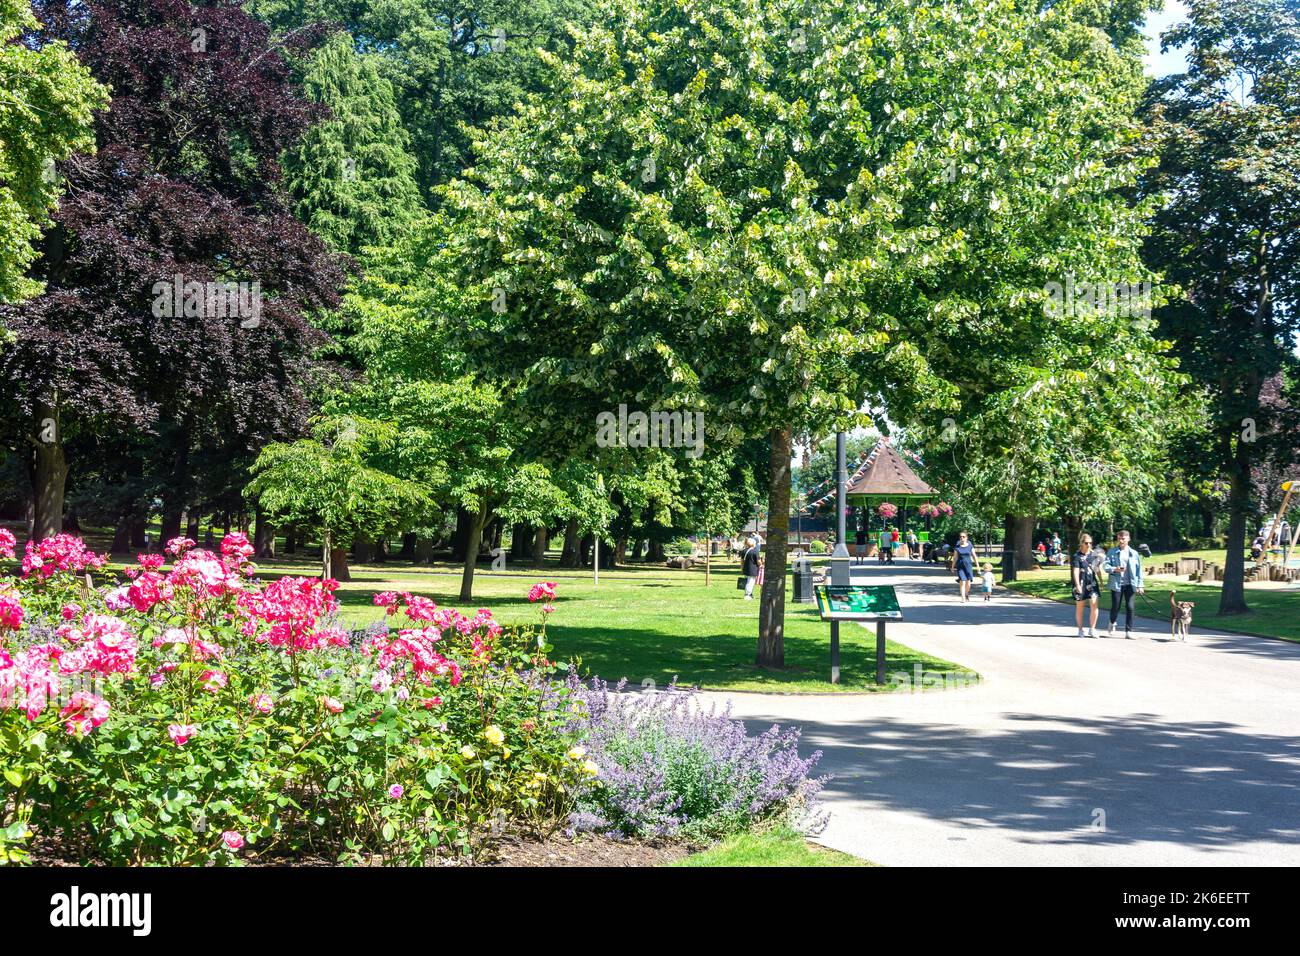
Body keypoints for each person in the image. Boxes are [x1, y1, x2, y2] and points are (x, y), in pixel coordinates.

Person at [1103, 529, 1144, 638]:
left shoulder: (1134, 553)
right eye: (1119, 538)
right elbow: (1105, 566)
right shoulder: (1112, 552)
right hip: (1117, 584)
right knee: (1115, 607)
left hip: (1130, 584)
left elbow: (1139, 570)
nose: (1121, 541)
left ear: (1128, 539)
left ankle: (1128, 631)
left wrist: (1140, 585)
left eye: (1123, 539)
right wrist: (1115, 569)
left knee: (1130, 607)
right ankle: (1112, 622)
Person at [1071, 532, 1101, 638]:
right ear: (1082, 543)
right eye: (1086, 543)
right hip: (1081, 582)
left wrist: (1101, 581)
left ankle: (1092, 629)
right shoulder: (1077, 556)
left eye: (1090, 543)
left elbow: (1097, 569)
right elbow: (1075, 572)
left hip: (1092, 582)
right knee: (1080, 607)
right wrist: (1077, 585)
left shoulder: (1094, 555)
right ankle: (1080, 630)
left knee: (1094, 604)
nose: (1088, 545)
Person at [953, 530, 976, 602]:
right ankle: (963, 598)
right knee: (962, 581)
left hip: (968, 566)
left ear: (966, 538)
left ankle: (966, 594)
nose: (962, 538)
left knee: (968, 583)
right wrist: (952, 567)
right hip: (960, 566)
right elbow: (955, 557)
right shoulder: (957, 547)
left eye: (963, 537)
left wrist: (978, 567)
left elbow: (974, 556)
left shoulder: (970, 546)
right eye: (960, 537)